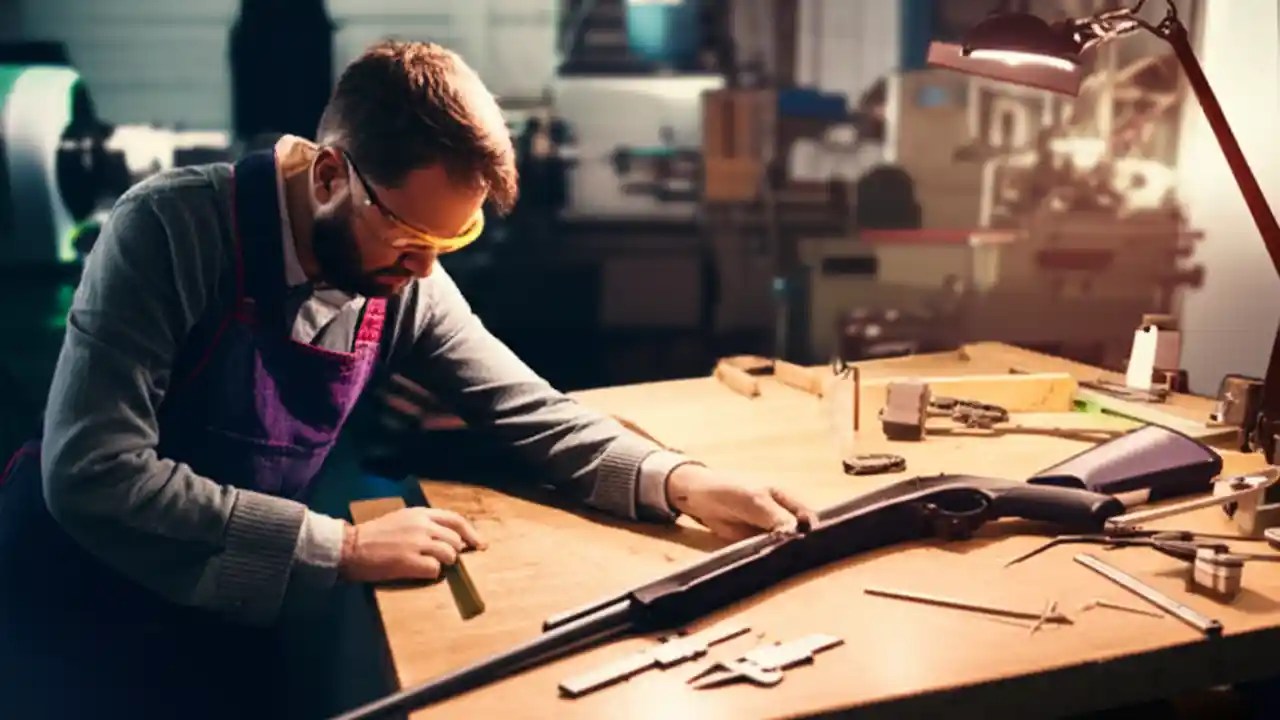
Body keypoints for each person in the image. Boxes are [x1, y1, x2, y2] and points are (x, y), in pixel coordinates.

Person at [0, 40, 815, 718]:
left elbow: (529, 411)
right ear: (330, 176)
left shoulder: (405, 275)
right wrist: (342, 545)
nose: (427, 268)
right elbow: (94, 471)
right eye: (409, 237)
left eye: (452, 241)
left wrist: (682, 482)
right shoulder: (168, 230)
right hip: (76, 602)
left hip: (225, 591)